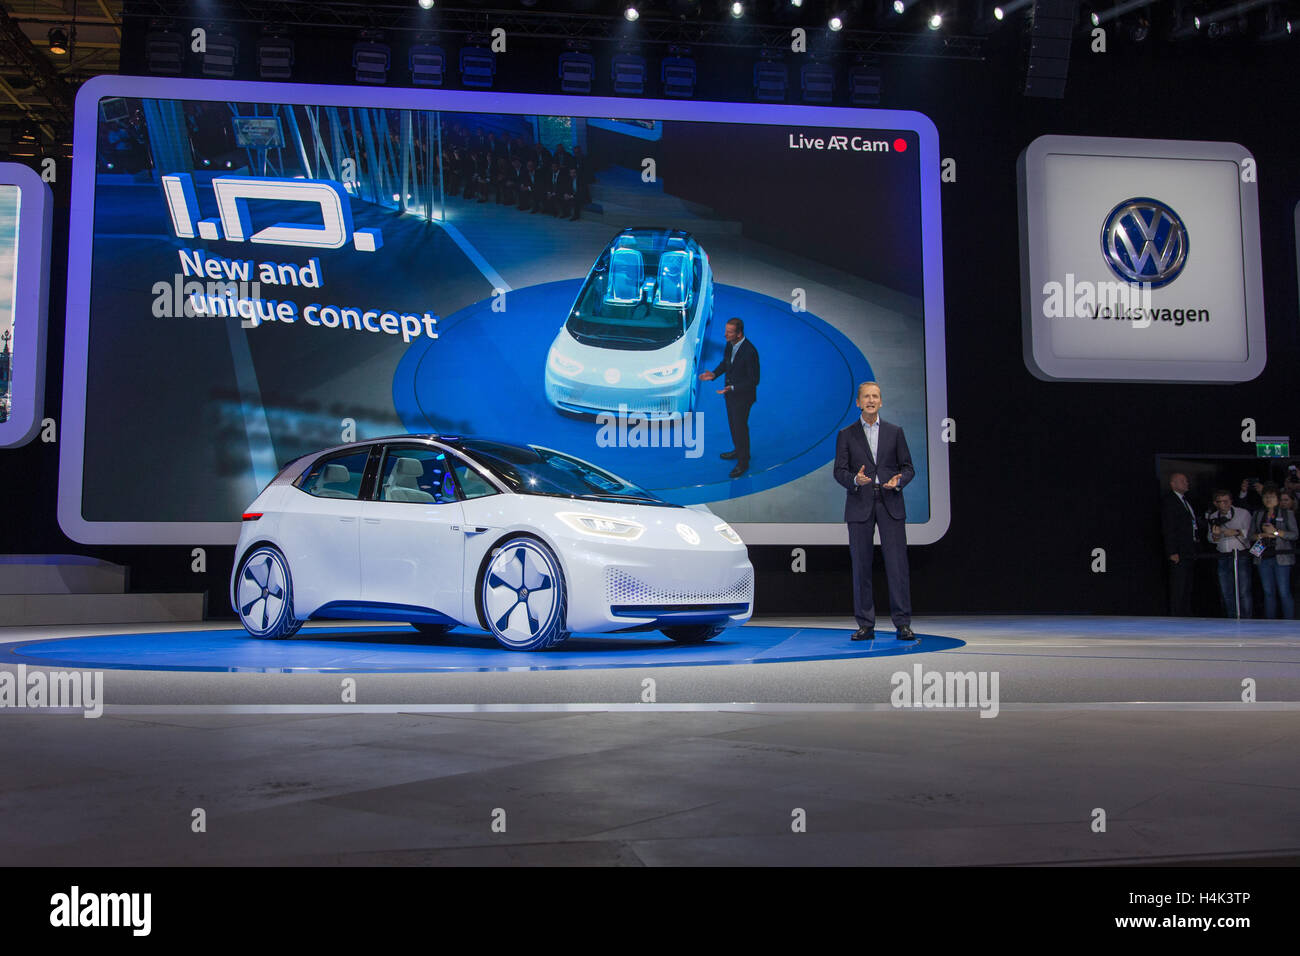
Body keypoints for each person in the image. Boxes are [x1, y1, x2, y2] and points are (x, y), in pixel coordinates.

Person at [833, 382, 914, 641]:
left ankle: (902, 624)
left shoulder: (895, 432)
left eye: (875, 396)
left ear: (881, 402)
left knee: (897, 566)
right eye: (866, 397)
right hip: (860, 504)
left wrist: (898, 481)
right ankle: (866, 624)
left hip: (890, 503)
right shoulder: (846, 434)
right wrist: (855, 480)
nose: (870, 400)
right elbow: (839, 471)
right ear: (858, 402)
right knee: (861, 566)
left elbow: (908, 467)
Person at [699, 318, 759, 478]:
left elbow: (754, 380)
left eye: (729, 332)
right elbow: (726, 363)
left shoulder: (750, 352)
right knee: (734, 426)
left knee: (740, 428)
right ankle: (738, 450)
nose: (725, 334)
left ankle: (743, 462)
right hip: (730, 395)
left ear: (739, 334)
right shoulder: (730, 344)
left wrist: (733, 387)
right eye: (726, 331)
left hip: (743, 397)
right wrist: (714, 374)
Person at [1250, 484, 1297, 619]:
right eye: (1265, 497)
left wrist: (1276, 532)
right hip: (1262, 556)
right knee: (1268, 592)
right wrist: (1261, 535)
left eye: (1271, 497)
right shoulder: (1258, 514)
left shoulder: (1287, 514)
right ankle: (1269, 623)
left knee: (1283, 591)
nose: (1268, 499)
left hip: (1281, 557)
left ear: (1278, 498)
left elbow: (1294, 534)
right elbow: (1250, 535)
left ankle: (1289, 622)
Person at [1207, 489, 1253, 618]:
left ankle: (1247, 618)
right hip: (1223, 555)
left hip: (1241, 554)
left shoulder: (1242, 513)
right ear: (1215, 503)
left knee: (1243, 590)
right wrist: (1216, 535)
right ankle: (1232, 618)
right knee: (1226, 590)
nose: (1223, 504)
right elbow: (1210, 539)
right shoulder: (1213, 517)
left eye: (1225, 501)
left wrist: (1236, 532)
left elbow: (1251, 532)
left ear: (1231, 501)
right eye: (1219, 502)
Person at [1161, 472, 1199, 615]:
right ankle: (1177, 614)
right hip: (1179, 551)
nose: (1186, 483)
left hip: (1190, 549)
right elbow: (1169, 527)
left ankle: (1186, 613)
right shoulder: (1170, 502)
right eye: (1182, 481)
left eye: (1186, 480)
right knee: (1179, 585)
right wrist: (1172, 551)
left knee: (1187, 585)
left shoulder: (1186, 501)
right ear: (1173, 484)